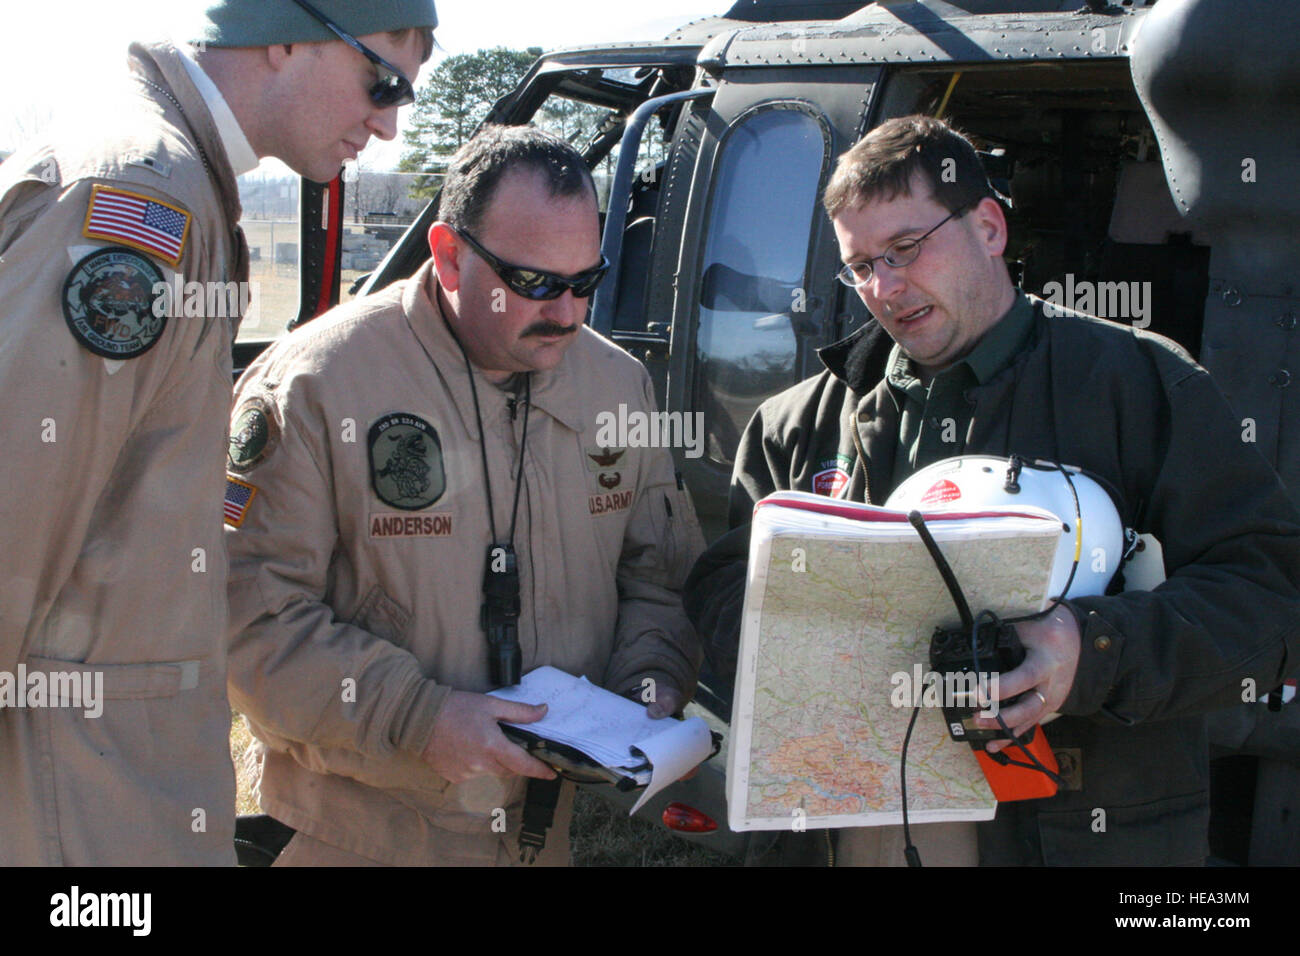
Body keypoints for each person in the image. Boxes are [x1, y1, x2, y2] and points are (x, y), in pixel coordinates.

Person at [683, 115, 1300, 866]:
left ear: (989, 227)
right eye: (862, 265)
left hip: (1067, 834)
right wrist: (803, 640)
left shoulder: (1139, 386)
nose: (885, 286)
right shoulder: (797, 422)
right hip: (850, 827)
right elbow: (723, 583)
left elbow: (1271, 595)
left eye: (905, 249)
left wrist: (1091, 649)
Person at [0, 0, 437, 865]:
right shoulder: (139, 197)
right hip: (77, 798)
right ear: (283, 37)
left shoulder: (176, 182)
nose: (387, 125)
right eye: (381, 81)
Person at [224, 124, 705, 866]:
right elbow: (246, 620)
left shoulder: (616, 384)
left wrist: (648, 681)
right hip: (360, 832)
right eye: (536, 283)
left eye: (587, 281)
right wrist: (421, 718)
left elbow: (657, 577)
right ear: (449, 256)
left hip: (540, 831)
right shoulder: (319, 384)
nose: (569, 313)